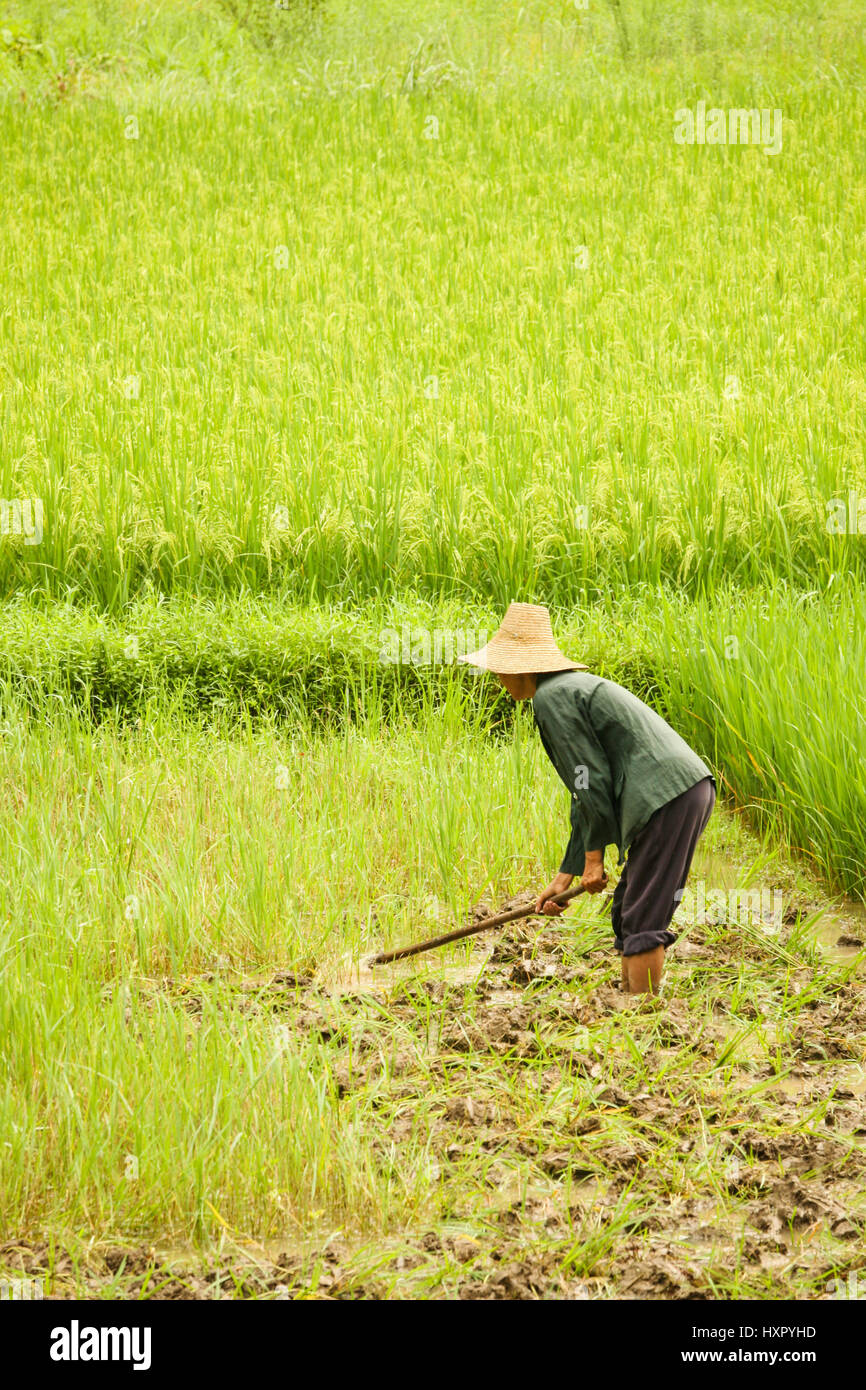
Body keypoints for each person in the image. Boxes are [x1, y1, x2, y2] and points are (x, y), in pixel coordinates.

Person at [459, 602, 715, 995]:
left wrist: (594, 860)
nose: (497, 677)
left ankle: (643, 1017)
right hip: (676, 794)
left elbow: (589, 781)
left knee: (643, 915)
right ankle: (631, 1008)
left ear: (521, 666)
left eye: (499, 668)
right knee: (631, 906)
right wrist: (566, 875)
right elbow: (583, 795)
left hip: (667, 797)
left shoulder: (552, 698)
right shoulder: (562, 692)